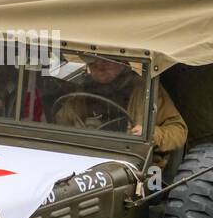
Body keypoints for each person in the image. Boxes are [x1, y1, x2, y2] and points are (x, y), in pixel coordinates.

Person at [56, 55, 187, 156]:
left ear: (122, 62)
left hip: (134, 161)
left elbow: (178, 130)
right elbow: (60, 124)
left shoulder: (145, 90)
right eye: (92, 62)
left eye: (106, 61)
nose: (99, 67)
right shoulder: (81, 94)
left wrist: (150, 134)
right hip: (86, 155)